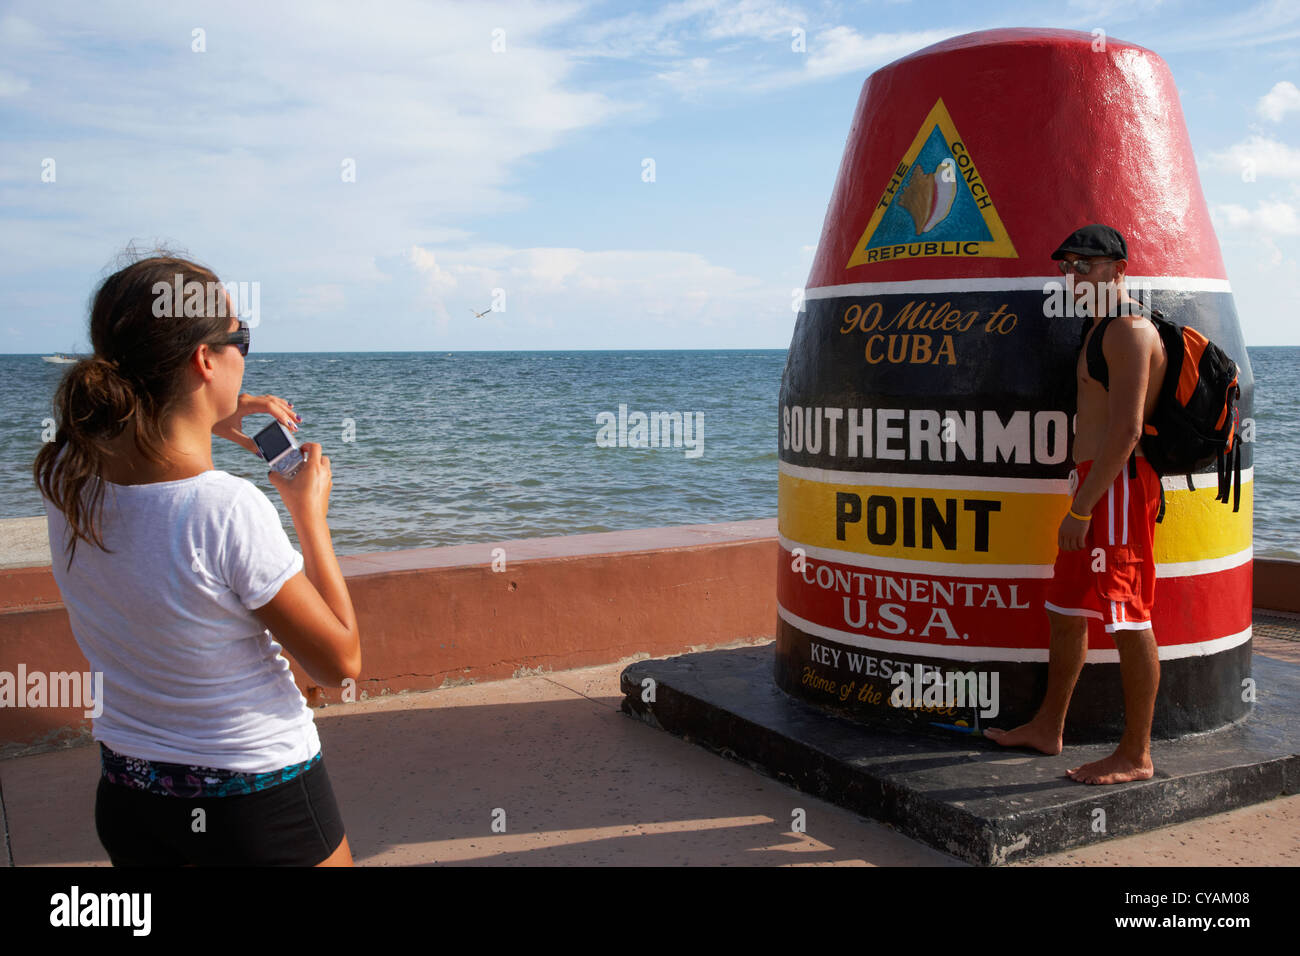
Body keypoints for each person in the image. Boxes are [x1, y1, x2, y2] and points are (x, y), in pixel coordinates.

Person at [33, 253, 361, 864]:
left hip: (133, 795)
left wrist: (206, 410)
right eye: (241, 340)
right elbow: (340, 664)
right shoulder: (225, 509)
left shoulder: (68, 484)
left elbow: (138, 461)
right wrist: (309, 514)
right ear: (204, 360)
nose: (244, 353)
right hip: (257, 802)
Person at [984, 224, 1167, 785]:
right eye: (1067, 266)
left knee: (1128, 618)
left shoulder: (1130, 329)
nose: (1073, 275)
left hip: (1114, 490)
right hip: (1092, 485)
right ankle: (1048, 727)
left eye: (1085, 265)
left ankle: (1136, 754)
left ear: (1118, 269)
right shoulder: (1097, 328)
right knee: (1063, 611)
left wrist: (1083, 508)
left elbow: (1127, 431)